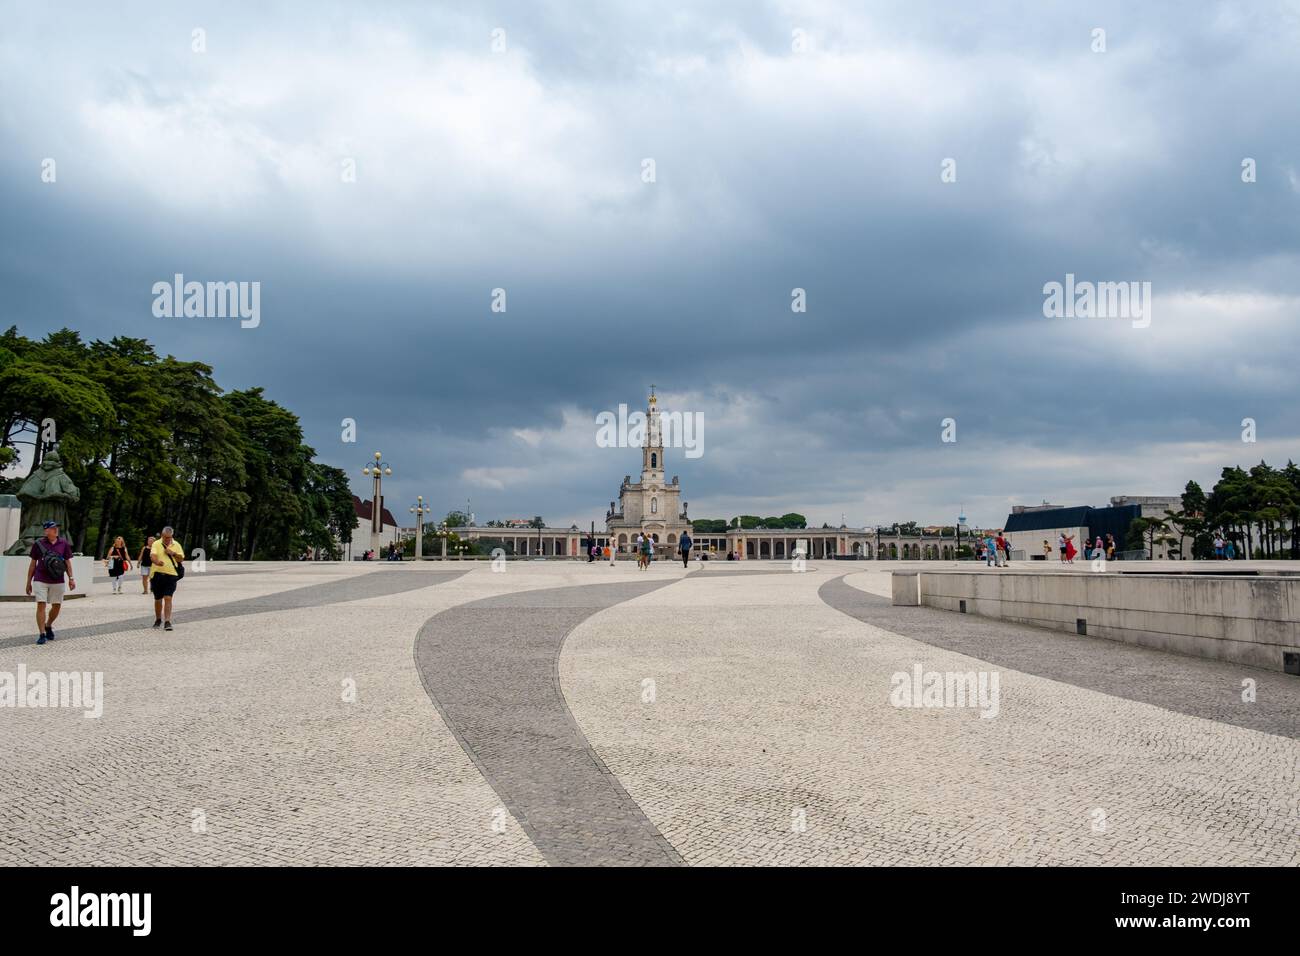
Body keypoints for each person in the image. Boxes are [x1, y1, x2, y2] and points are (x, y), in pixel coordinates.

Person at [26, 520, 76, 645]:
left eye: (56, 528)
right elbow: (33, 564)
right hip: (40, 578)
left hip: (57, 579)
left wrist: (71, 578)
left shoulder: (63, 543)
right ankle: (42, 633)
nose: (56, 530)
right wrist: (28, 582)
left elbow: (68, 563)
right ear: (46, 531)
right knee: (41, 604)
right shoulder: (38, 544)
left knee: (56, 605)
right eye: (53, 528)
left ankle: (48, 625)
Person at [149, 526, 184, 631]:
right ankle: (158, 619)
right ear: (162, 535)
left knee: (168, 597)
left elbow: (181, 558)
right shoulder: (156, 543)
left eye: (169, 537)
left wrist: (172, 553)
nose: (167, 539)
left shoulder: (176, 545)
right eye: (165, 537)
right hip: (157, 575)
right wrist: (157, 562)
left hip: (172, 575)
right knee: (158, 599)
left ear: (172, 536)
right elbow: (153, 556)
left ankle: (167, 621)